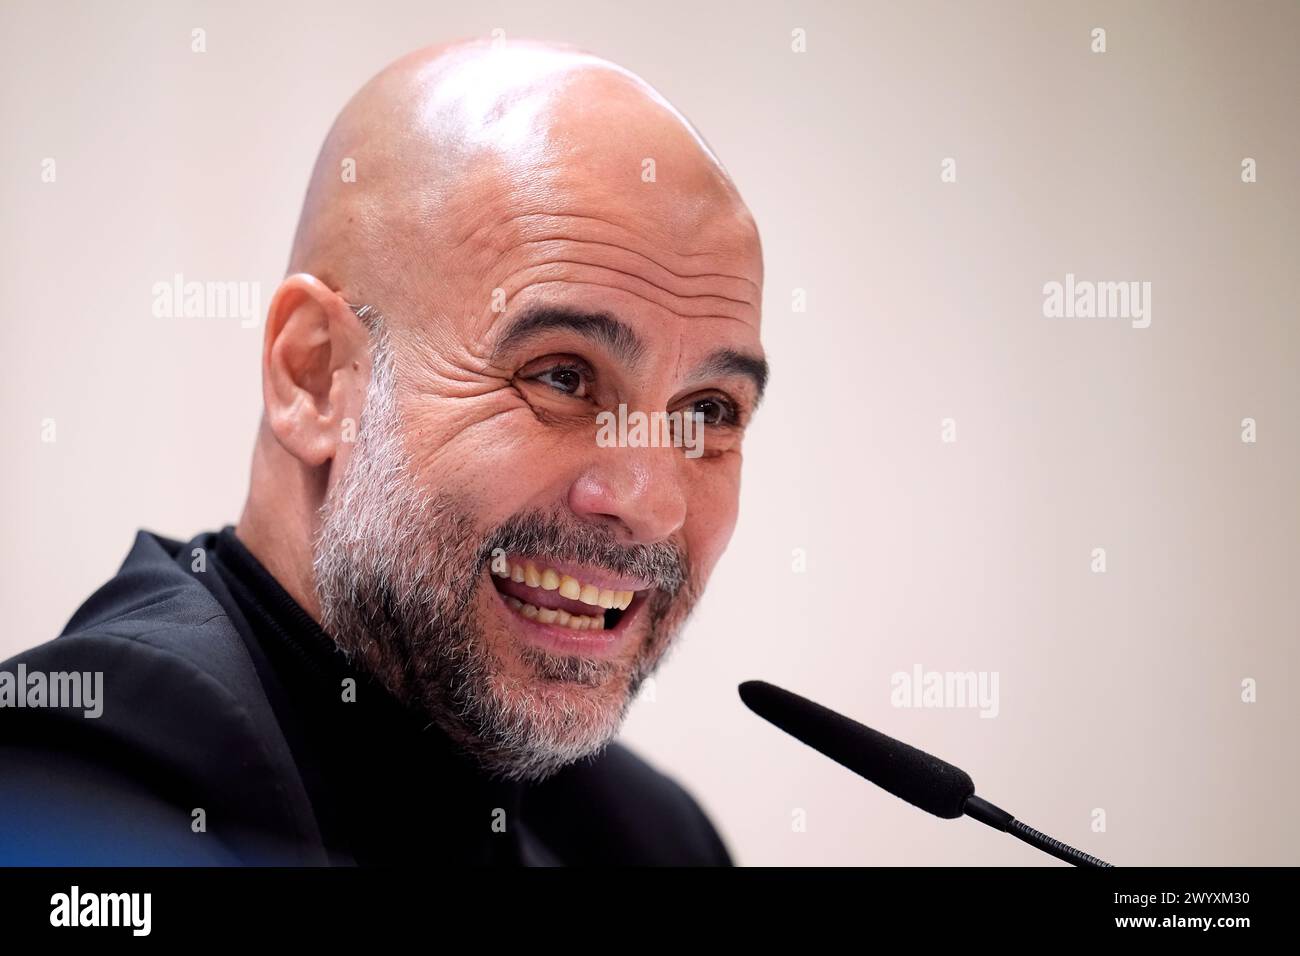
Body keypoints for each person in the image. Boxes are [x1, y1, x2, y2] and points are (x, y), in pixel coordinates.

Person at [0, 37, 767, 865]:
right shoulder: (91, 768)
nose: (652, 501)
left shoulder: (648, 837)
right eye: (562, 376)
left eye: (709, 412)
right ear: (318, 376)